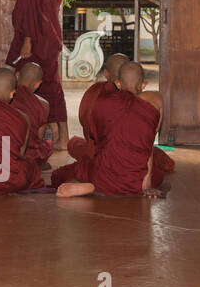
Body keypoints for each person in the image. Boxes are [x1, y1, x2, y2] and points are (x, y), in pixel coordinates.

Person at [52, 62, 173, 198]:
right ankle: (98, 186)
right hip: (136, 179)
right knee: (159, 174)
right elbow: (148, 143)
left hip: (103, 172)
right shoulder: (155, 100)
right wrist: (146, 184)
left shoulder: (102, 102)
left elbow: (96, 138)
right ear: (143, 85)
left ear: (118, 83)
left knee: (62, 173)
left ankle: (92, 185)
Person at [0, 0, 68, 142]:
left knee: (22, 83)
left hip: (35, 41)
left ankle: (24, 133)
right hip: (48, 39)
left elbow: (33, 14)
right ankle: (62, 136)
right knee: (51, 86)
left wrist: (27, 40)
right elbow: (36, 3)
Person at [68, 53, 128, 162]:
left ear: (106, 73)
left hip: (94, 150)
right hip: (120, 154)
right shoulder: (132, 97)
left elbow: (83, 118)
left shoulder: (94, 90)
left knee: (73, 144)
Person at [9, 61, 53, 168]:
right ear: (38, 83)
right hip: (29, 155)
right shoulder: (43, 104)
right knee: (48, 142)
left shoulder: (6, 96)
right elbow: (38, 137)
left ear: (17, 75)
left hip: (6, 149)